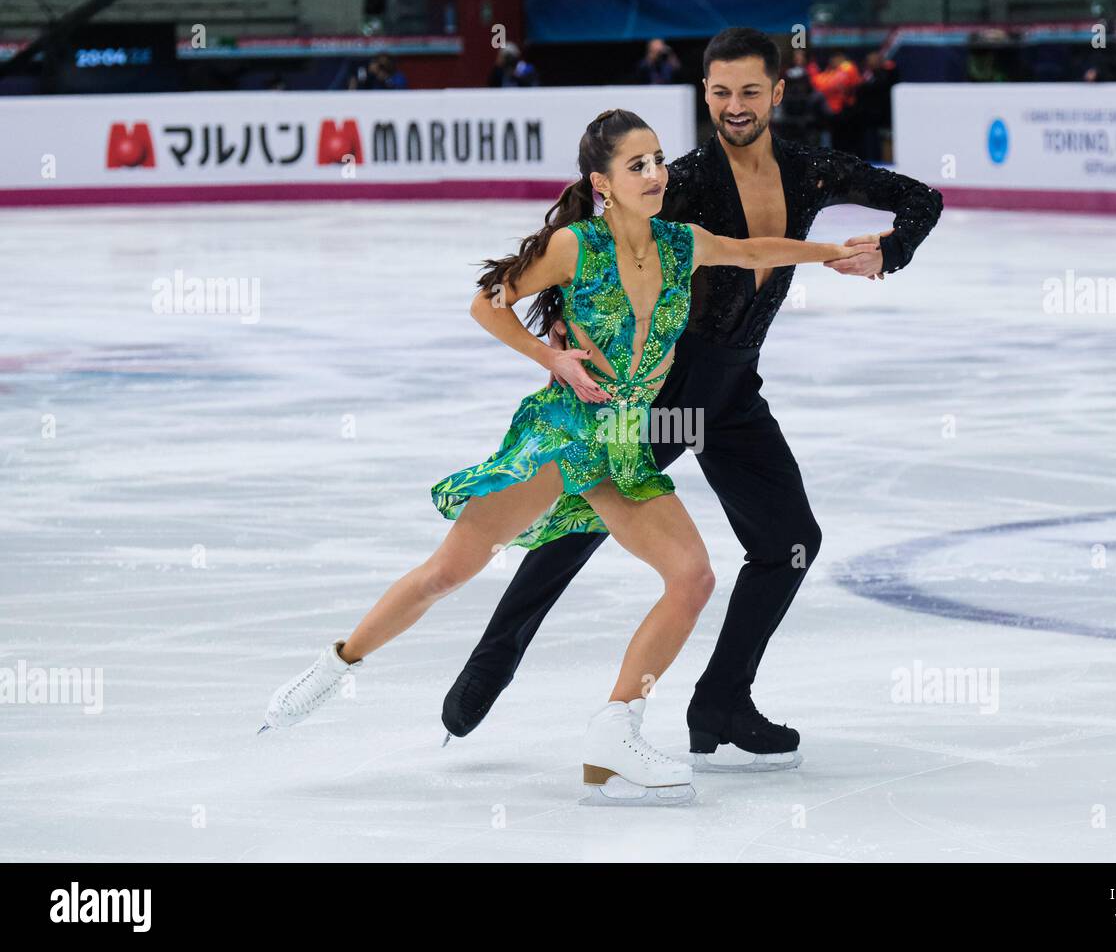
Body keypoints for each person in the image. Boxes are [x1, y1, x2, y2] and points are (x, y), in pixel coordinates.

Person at [259, 109, 874, 807]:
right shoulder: (572, 247)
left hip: (620, 445)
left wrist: (835, 254)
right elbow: (488, 303)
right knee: (447, 574)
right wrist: (550, 355)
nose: (655, 175)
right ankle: (334, 663)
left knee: (691, 577)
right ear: (602, 182)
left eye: (658, 161)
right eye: (636, 165)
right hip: (563, 435)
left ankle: (615, 735)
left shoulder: (680, 243)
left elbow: (751, 251)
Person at [442, 28, 943, 773]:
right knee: (582, 518)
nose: (733, 106)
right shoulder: (684, 180)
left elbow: (919, 198)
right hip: (665, 390)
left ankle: (721, 702)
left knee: (789, 542)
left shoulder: (811, 172)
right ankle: (495, 657)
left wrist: (888, 250)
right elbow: (599, 223)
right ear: (702, 94)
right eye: (718, 92)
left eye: (749, 91)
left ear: (778, 92)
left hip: (735, 393)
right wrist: (565, 341)